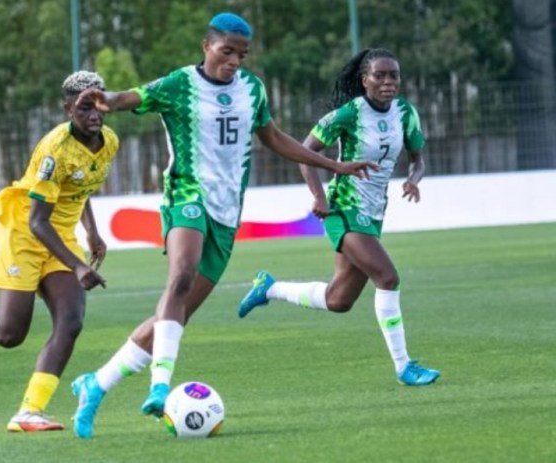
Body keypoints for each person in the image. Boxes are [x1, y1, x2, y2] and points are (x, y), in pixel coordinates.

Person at [70, 12, 377, 439]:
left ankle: (96, 385)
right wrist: (106, 99)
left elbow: (273, 137)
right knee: (180, 277)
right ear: (206, 46)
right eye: (226, 51)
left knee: (173, 317)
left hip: (227, 215)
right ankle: (160, 388)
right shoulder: (180, 84)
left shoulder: (252, 88)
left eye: (242, 54)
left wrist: (332, 164)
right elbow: (131, 97)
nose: (235, 60)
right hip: (187, 196)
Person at [0, 71, 118, 432]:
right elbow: (37, 222)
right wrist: (78, 266)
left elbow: (83, 186)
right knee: (9, 335)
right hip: (23, 233)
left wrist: (93, 233)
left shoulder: (108, 142)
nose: (95, 113)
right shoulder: (53, 150)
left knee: (71, 320)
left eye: (100, 103)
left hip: (59, 235)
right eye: (84, 106)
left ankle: (29, 411)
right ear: (67, 109)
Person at [238, 48, 440, 387]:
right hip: (343, 209)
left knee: (339, 300)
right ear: (365, 80)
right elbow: (305, 153)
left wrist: (413, 179)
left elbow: (419, 159)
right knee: (388, 278)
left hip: (374, 213)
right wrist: (318, 196)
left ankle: (270, 288)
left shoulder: (406, 113)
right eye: (380, 75)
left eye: (394, 76)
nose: (388, 82)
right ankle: (405, 366)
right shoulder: (349, 114)